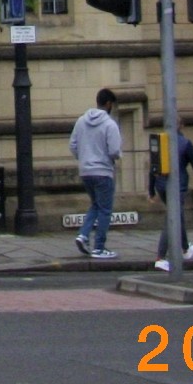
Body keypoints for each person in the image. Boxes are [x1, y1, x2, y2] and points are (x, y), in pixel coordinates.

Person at [68, 88, 123, 261]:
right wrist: (116, 157)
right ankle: (99, 247)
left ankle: (83, 235)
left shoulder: (81, 121)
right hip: (103, 171)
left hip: (85, 171)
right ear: (108, 104)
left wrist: (84, 158)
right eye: (112, 104)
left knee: (95, 205)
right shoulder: (110, 124)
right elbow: (114, 150)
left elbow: (73, 145)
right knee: (105, 210)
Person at [151, 131, 193, 270]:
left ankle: (185, 248)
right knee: (172, 217)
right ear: (182, 126)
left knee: (177, 215)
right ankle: (160, 257)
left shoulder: (160, 141)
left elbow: (152, 168)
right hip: (177, 186)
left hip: (160, 185)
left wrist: (150, 190)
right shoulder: (185, 143)